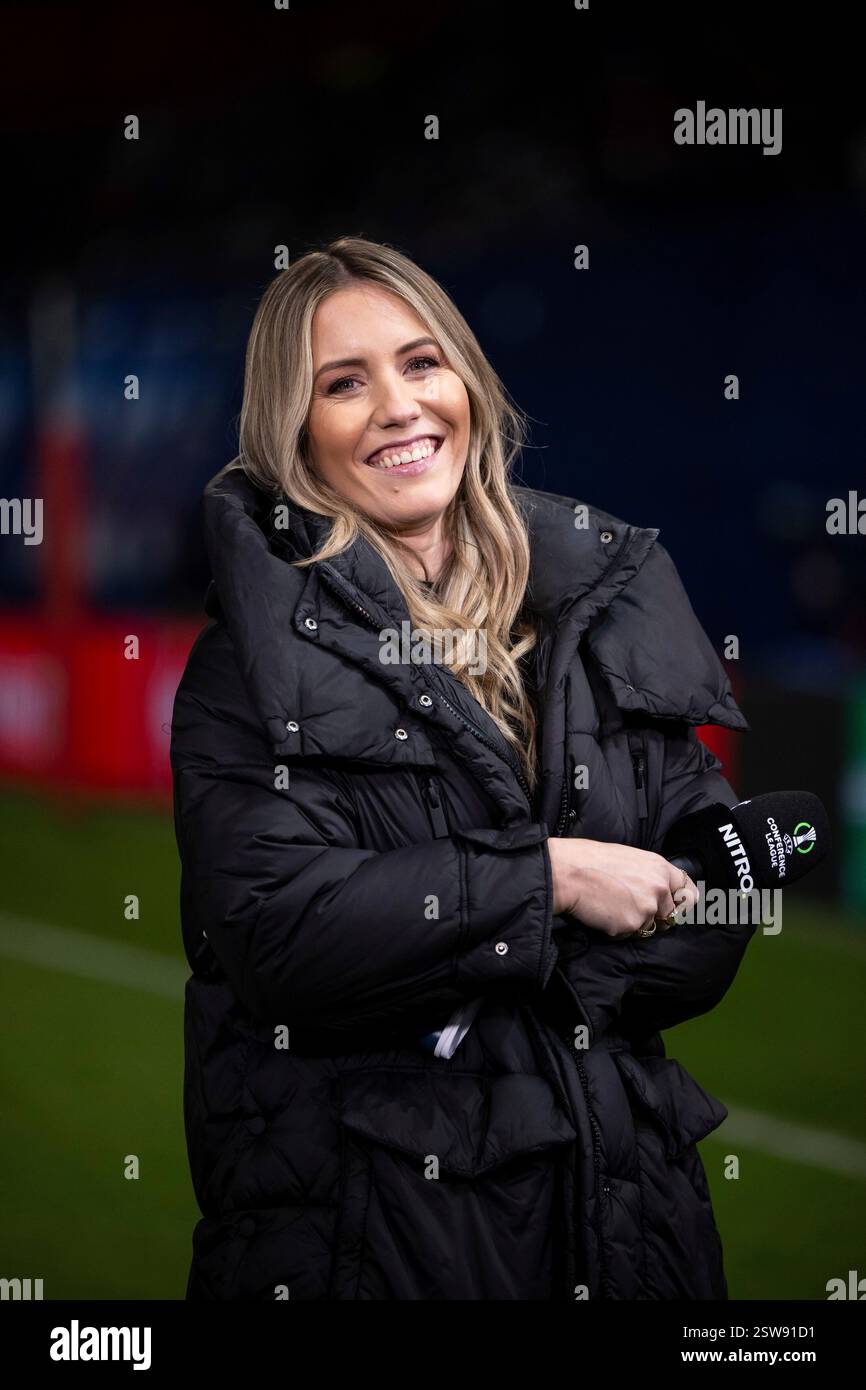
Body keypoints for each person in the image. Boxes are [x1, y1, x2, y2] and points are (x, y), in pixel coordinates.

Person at [170, 236, 754, 1301]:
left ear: (468, 384)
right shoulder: (246, 664)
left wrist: (474, 958)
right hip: (378, 1241)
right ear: (293, 432)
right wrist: (554, 882)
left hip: (634, 1225)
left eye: (421, 363)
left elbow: (709, 912)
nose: (399, 407)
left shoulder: (600, 603)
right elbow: (282, 936)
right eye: (344, 384)